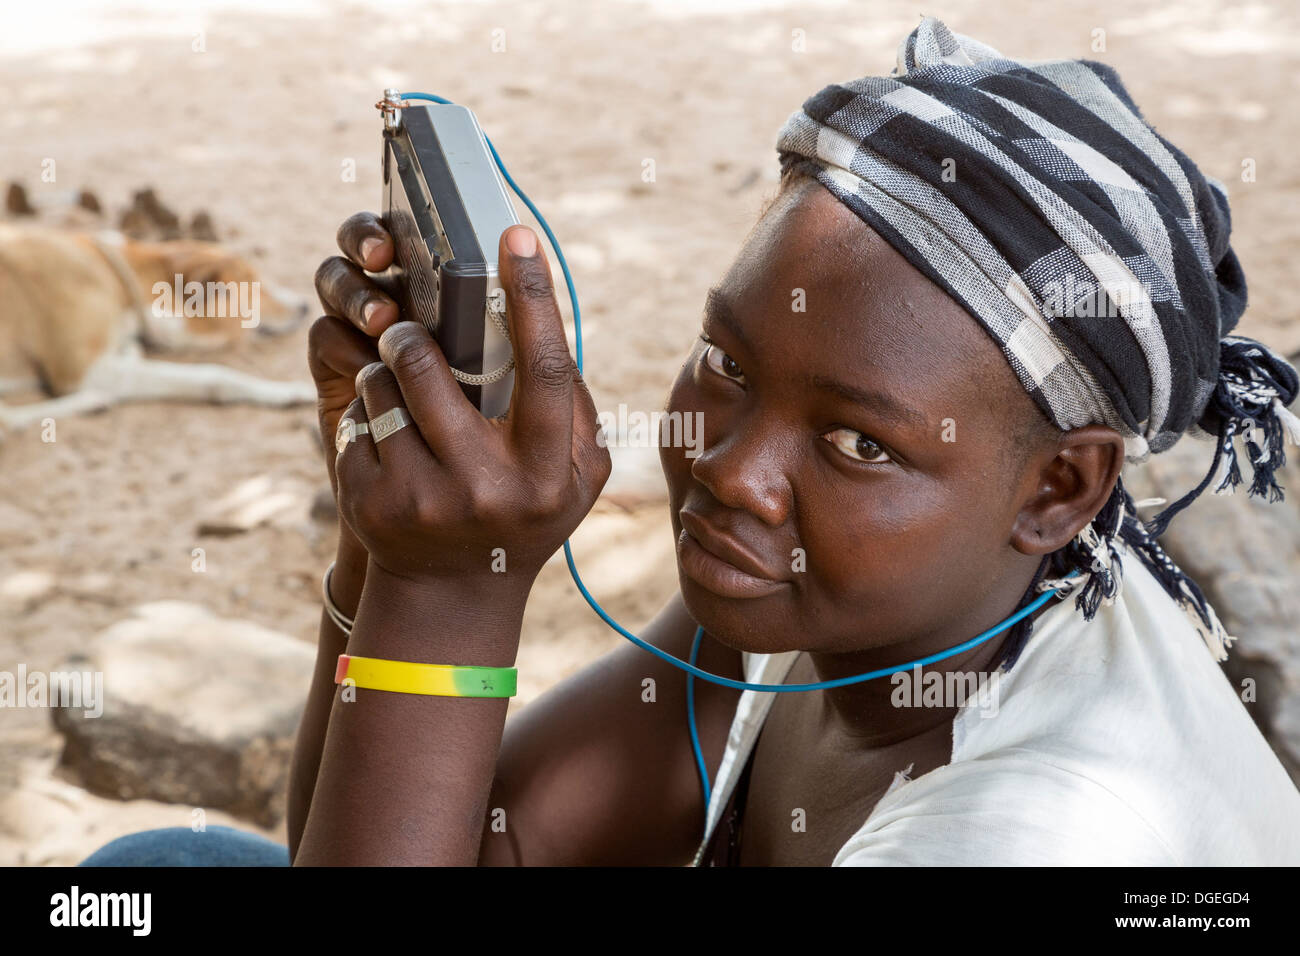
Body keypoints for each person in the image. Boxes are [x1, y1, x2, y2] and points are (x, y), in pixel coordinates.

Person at [83, 16, 1300, 867]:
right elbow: (466, 844)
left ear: (1059, 488)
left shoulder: (1039, 831)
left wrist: (448, 589)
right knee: (166, 866)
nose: (730, 468)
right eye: (726, 367)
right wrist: (389, 550)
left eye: (856, 442)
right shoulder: (830, 598)